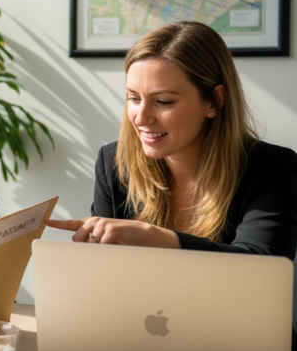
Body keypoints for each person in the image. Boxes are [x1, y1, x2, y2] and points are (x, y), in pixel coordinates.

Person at [47, 21, 297, 257]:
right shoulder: (113, 162)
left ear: (214, 101)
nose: (141, 118)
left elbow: (263, 265)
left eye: (163, 101)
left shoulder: (274, 168)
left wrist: (157, 238)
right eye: (133, 98)